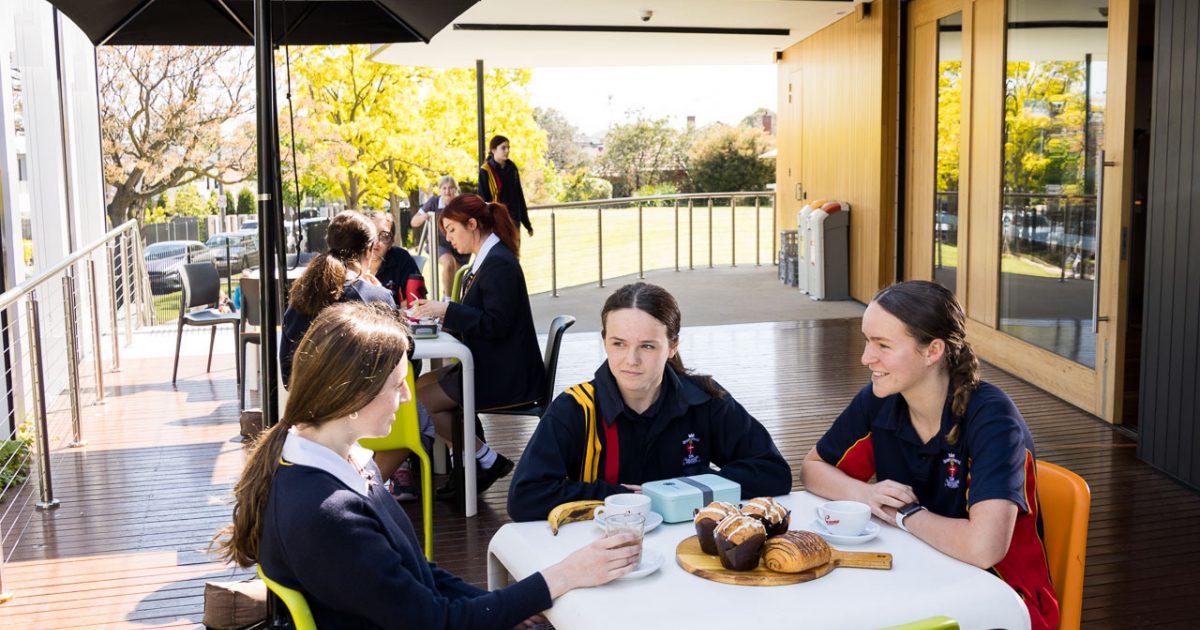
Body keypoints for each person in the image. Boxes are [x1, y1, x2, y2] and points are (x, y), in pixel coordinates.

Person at [215, 302, 641, 629]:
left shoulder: (338, 462)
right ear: (349, 397)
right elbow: (434, 622)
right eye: (397, 386)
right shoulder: (326, 512)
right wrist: (561, 577)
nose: (407, 399)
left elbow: (416, 573)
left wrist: (504, 606)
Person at [800, 280, 1058, 630]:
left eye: (883, 345)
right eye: (867, 340)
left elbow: (984, 548)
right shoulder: (880, 399)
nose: (866, 357)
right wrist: (867, 494)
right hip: (920, 576)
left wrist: (904, 515)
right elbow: (813, 469)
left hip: (1003, 603)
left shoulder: (994, 420)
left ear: (932, 351)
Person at [507, 282, 792, 522]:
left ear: (673, 346)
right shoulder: (575, 409)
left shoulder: (704, 399)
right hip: (601, 545)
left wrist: (680, 489)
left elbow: (773, 472)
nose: (631, 360)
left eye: (647, 345)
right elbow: (525, 497)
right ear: (604, 341)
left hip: (689, 543)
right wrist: (617, 496)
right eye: (619, 344)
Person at [410, 194, 545, 499]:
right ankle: (471, 459)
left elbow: (495, 324)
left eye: (452, 230)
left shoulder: (498, 265)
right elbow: (484, 318)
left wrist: (446, 312)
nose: (449, 239)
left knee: (420, 402)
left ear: (472, 224)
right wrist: (443, 315)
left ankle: (483, 460)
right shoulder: (488, 259)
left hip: (505, 375)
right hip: (496, 364)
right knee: (420, 387)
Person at [279, 211, 394, 385]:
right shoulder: (377, 297)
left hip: (307, 400)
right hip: (358, 402)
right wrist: (380, 292)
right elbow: (403, 352)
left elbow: (288, 373)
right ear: (369, 250)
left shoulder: (302, 295)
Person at [412, 176, 471, 299]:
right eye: (444, 188)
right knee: (449, 263)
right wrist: (424, 217)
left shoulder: (461, 203)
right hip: (439, 243)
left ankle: (448, 300)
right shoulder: (434, 202)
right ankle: (448, 303)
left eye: (451, 188)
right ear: (439, 190)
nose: (447, 191)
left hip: (459, 243)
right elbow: (414, 222)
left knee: (456, 278)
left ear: (456, 189)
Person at [478, 135, 533, 242]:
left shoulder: (512, 168)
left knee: (514, 255)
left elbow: (519, 196)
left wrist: (527, 224)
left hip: (514, 220)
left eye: (508, 148)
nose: (507, 151)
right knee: (500, 254)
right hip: (497, 222)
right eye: (503, 148)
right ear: (493, 150)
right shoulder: (485, 171)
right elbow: (483, 200)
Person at [366, 211, 421, 307]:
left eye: (385, 236)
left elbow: (414, 304)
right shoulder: (349, 261)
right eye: (371, 234)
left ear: (391, 243)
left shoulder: (401, 259)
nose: (376, 242)